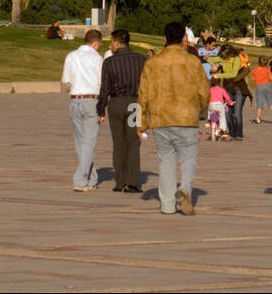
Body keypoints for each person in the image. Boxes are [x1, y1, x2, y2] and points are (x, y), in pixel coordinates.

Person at [137, 22, 209, 214]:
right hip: (187, 117)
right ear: (184, 39)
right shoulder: (193, 62)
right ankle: (185, 188)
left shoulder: (152, 63)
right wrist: (202, 110)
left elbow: (142, 94)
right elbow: (204, 91)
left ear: (165, 38)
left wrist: (140, 122)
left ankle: (167, 205)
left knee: (166, 162)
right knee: (188, 159)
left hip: (161, 119)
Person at [97, 29, 147, 192]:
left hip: (116, 103)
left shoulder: (110, 62)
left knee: (118, 143)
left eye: (111, 42)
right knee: (133, 142)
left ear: (116, 43)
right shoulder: (141, 59)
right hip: (135, 103)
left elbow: (105, 88)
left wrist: (101, 109)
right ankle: (132, 182)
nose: (110, 45)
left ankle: (120, 181)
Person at [62, 29, 103, 191]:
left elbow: (66, 79)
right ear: (95, 43)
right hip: (91, 100)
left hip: (74, 100)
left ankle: (91, 179)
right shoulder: (97, 58)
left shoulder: (71, 56)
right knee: (89, 142)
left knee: (81, 143)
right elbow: (102, 81)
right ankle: (80, 179)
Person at [218, 45, 251, 141]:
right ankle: (231, 133)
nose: (226, 58)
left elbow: (233, 74)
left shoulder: (236, 59)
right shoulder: (222, 60)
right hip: (228, 88)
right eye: (224, 56)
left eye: (227, 56)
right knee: (228, 112)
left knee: (237, 112)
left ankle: (238, 134)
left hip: (239, 88)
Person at [252, 56, 272, 123]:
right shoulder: (267, 70)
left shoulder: (255, 70)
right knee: (270, 100)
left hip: (259, 87)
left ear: (258, 62)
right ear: (266, 63)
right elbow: (271, 78)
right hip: (267, 86)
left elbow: (253, 78)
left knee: (259, 102)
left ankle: (258, 118)